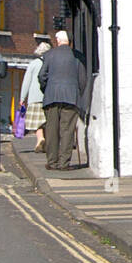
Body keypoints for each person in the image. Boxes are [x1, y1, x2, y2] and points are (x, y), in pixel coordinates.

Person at [39, 29, 86, 171]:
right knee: (67, 130)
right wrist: (78, 93)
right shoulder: (77, 57)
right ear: (69, 41)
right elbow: (82, 80)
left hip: (52, 96)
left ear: (57, 41)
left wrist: (46, 89)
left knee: (52, 130)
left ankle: (52, 162)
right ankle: (64, 163)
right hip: (71, 97)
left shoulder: (49, 55)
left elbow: (42, 76)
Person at [20, 40, 50, 152]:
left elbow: (26, 82)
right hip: (47, 96)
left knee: (37, 122)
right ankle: (45, 142)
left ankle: (40, 139)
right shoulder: (50, 63)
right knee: (45, 121)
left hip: (34, 97)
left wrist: (22, 98)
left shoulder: (33, 64)